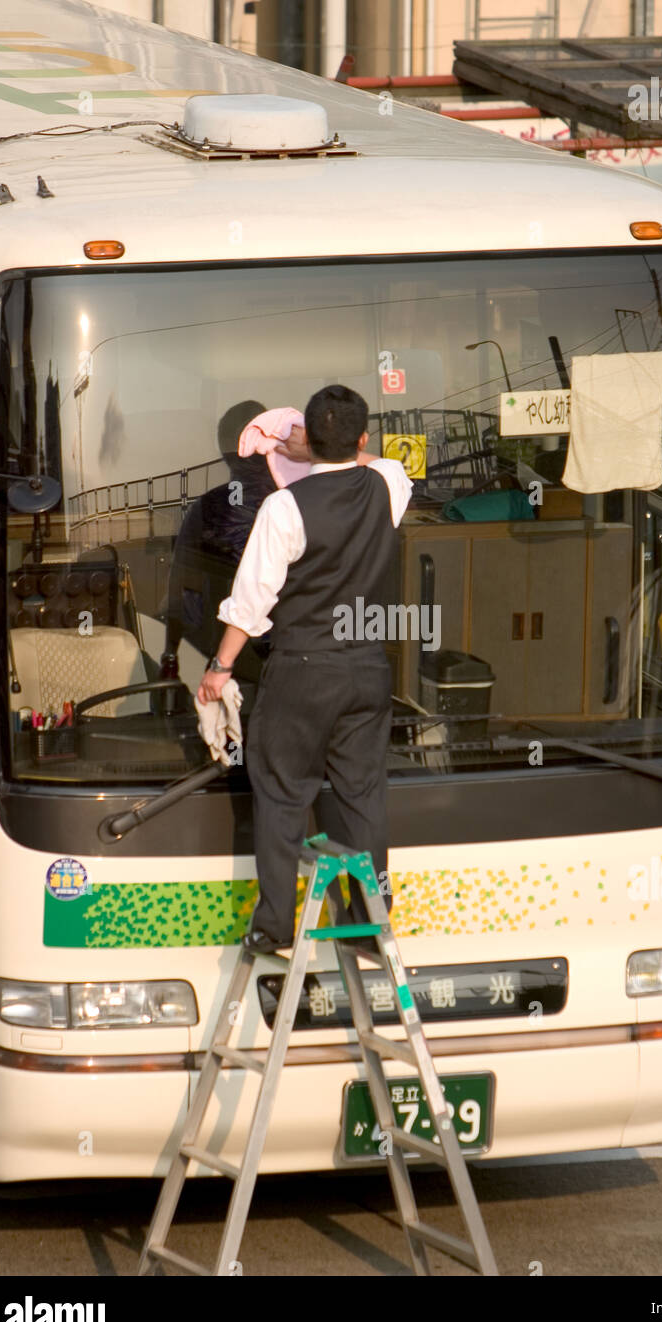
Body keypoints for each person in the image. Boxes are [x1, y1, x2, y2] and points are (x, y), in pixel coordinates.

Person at [197, 384, 412, 954]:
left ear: (307, 440)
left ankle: (274, 926)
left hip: (303, 670)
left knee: (283, 793)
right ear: (362, 438)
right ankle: (368, 927)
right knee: (363, 796)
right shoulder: (387, 486)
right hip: (367, 668)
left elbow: (251, 601)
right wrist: (322, 449)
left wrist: (220, 668)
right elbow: (385, 464)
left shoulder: (284, 508)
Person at [163, 402, 310, 681]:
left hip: (231, 666)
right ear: (273, 442)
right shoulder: (309, 500)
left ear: (225, 453)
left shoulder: (207, 510)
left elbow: (182, 591)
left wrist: (171, 654)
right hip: (306, 660)